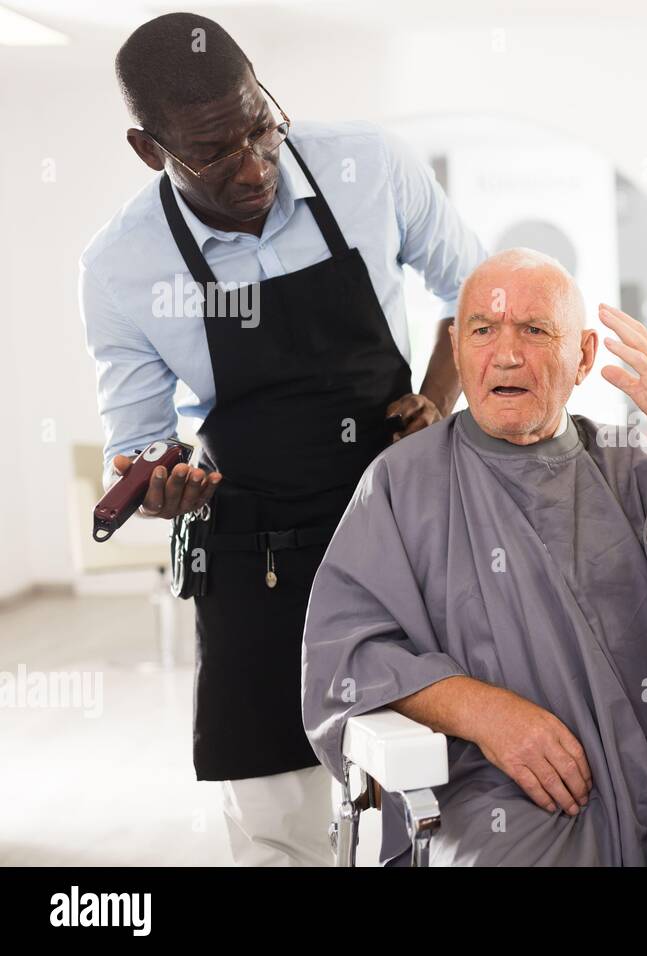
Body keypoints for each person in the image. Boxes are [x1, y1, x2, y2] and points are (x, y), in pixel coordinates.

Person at [79, 13, 486, 865]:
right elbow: (144, 448)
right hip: (255, 560)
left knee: (442, 786)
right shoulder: (121, 267)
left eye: (260, 126)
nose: (255, 163)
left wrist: (437, 393)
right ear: (149, 150)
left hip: (403, 533)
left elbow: (475, 294)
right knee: (280, 825)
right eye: (214, 154)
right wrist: (163, 487)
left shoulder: (366, 164)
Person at [302, 249, 647, 866]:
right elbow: (348, 656)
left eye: (534, 330)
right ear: (457, 348)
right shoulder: (401, 485)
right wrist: (485, 712)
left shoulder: (637, 472)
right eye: (484, 330)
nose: (506, 354)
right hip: (503, 792)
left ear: (585, 357)